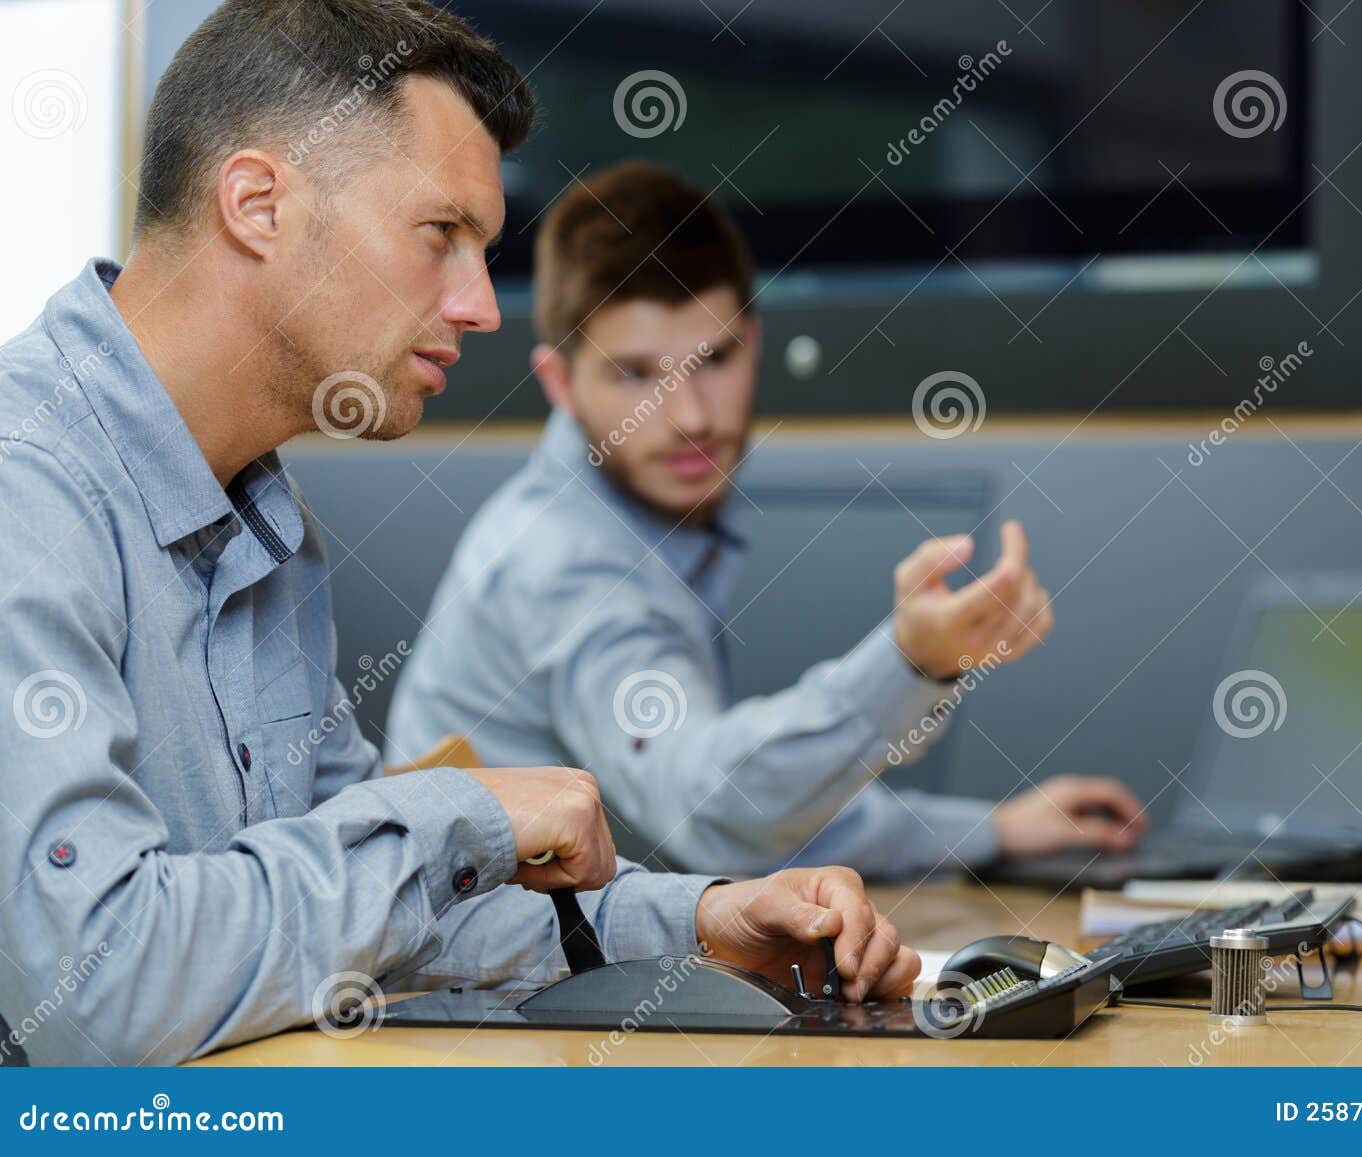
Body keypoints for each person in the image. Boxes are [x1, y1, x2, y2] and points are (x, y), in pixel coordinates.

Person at [0, 0, 915, 1068]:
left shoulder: (267, 525)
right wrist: (460, 814)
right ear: (257, 204)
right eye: (441, 235)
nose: (481, 305)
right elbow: (98, 989)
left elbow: (377, 915)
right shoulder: (26, 489)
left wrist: (701, 921)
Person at [383, 161, 1148, 879]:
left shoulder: (635, 512)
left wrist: (991, 830)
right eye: (635, 373)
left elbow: (766, 818)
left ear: (753, 344)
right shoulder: (561, 562)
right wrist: (909, 661)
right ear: (560, 382)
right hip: (483, 975)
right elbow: (717, 811)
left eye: (713, 360)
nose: (690, 416)